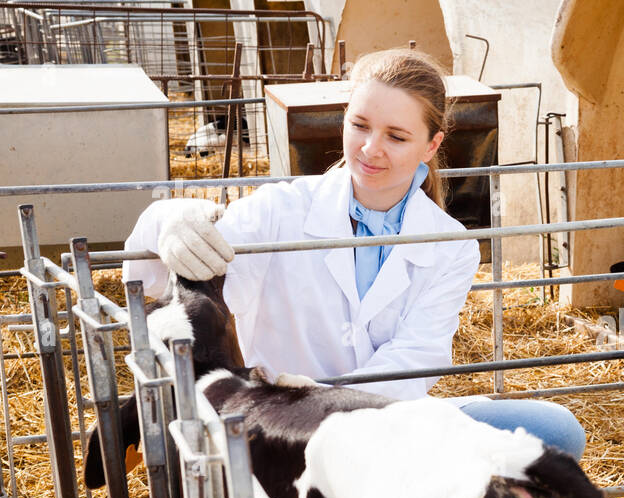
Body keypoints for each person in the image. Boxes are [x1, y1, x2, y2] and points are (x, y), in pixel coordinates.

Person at [123, 48, 586, 460]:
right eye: (359, 125)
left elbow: (416, 358)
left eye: (396, 137)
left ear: (431, 145)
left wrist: (330, 400)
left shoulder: (450, 244)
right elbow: (161, 280)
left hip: (384, 417)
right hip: (280, 425)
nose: (370, 149)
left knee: (557, 430)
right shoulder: (281, 208)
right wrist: (172, 220)